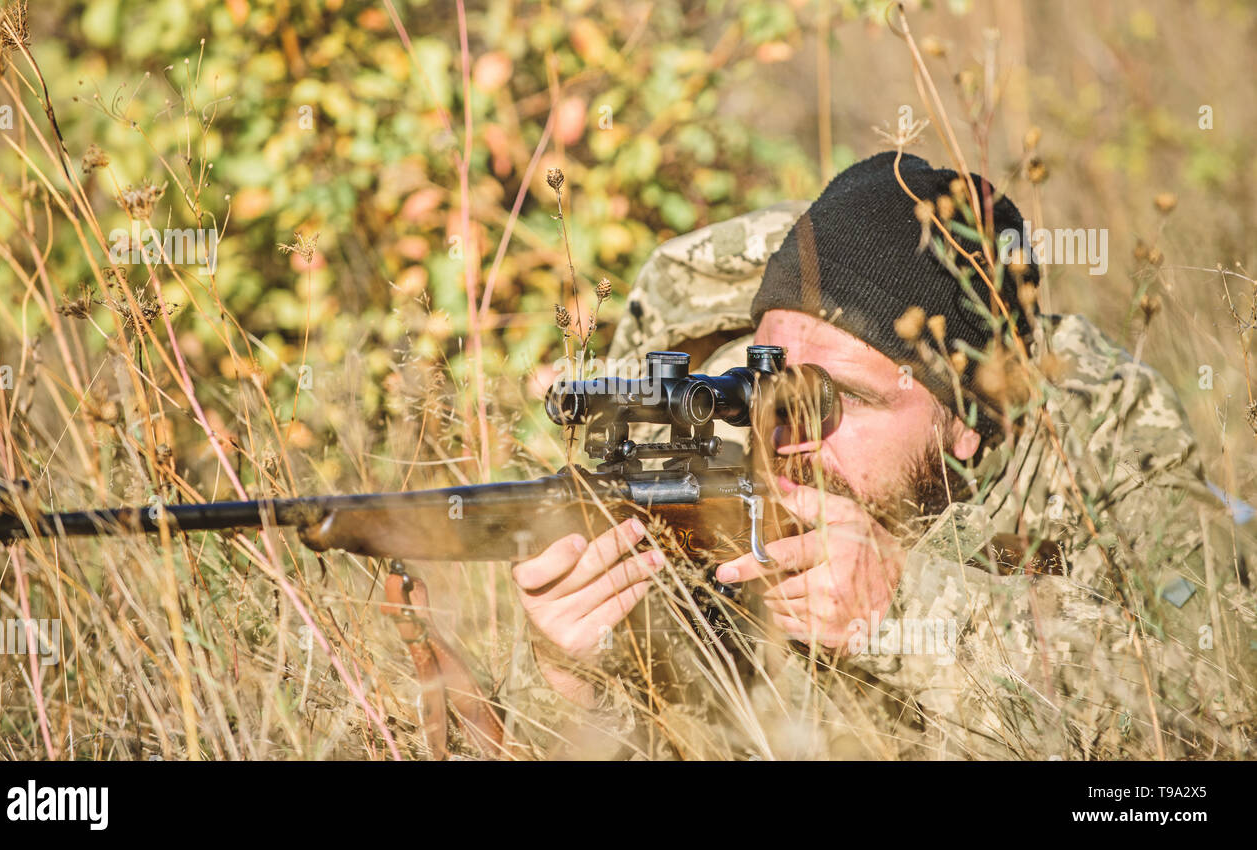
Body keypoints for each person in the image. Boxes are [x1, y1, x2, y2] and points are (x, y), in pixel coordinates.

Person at [498, 152, 1257, 760]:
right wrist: (572, 682)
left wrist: (905, 610)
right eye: (768, 382)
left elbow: (1213, 721)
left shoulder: (1101, 448)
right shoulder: (714, 451)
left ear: (970, 420)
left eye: (848, 400)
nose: (788, 437)